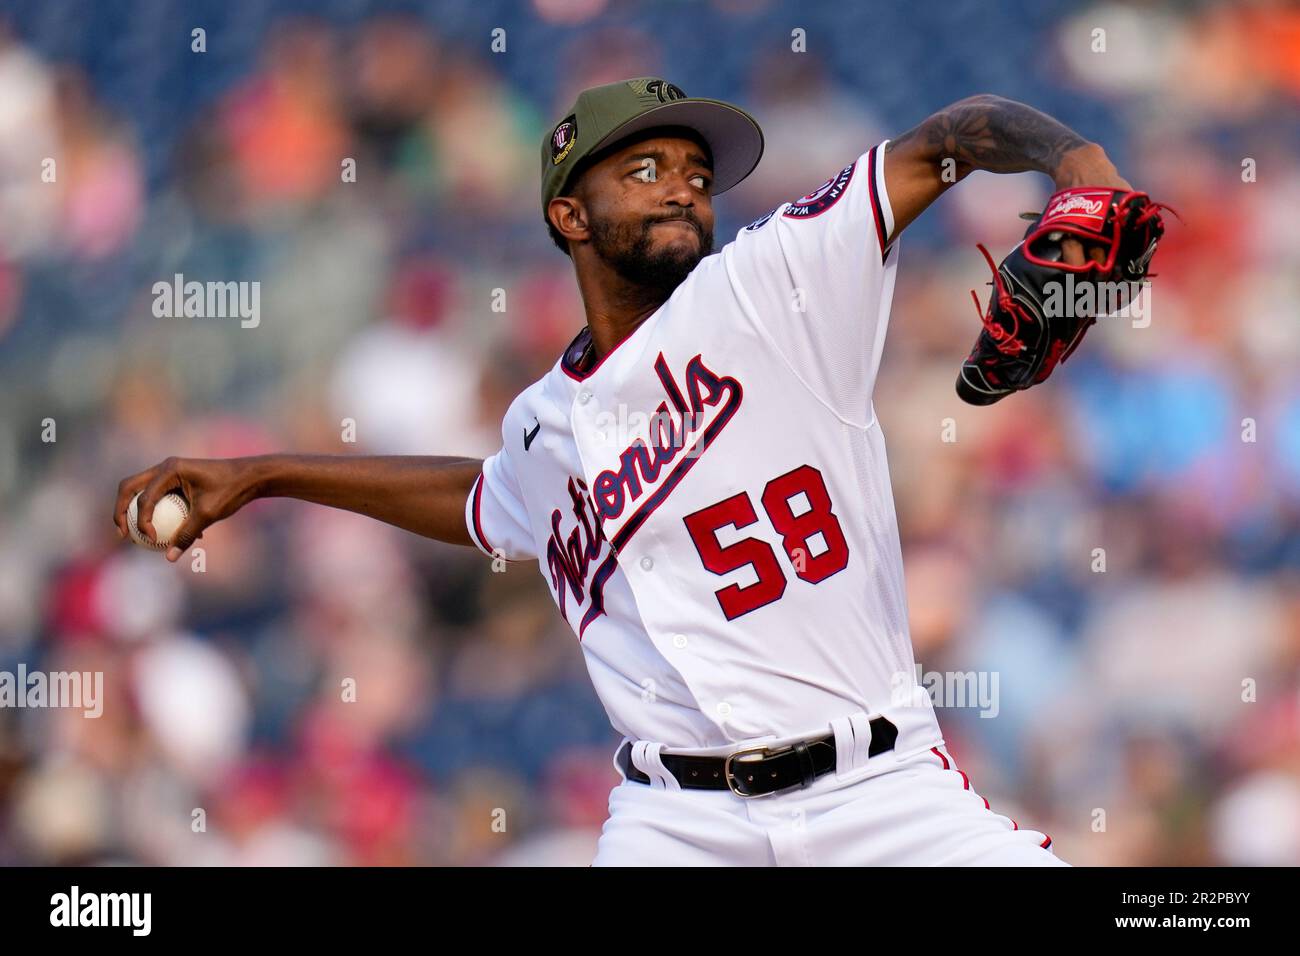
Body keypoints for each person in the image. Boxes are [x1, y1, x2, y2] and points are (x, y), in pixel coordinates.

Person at [115, 77, 1133, 866]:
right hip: (677, 821)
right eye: (642, 168)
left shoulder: (776, 280)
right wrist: (265, 473)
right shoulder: (541, 427)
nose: (683, 181)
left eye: (694, 168)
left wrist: (1079, 161)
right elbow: (481, 500)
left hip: (880, 792)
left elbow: (948, 136)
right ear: (569, 215)